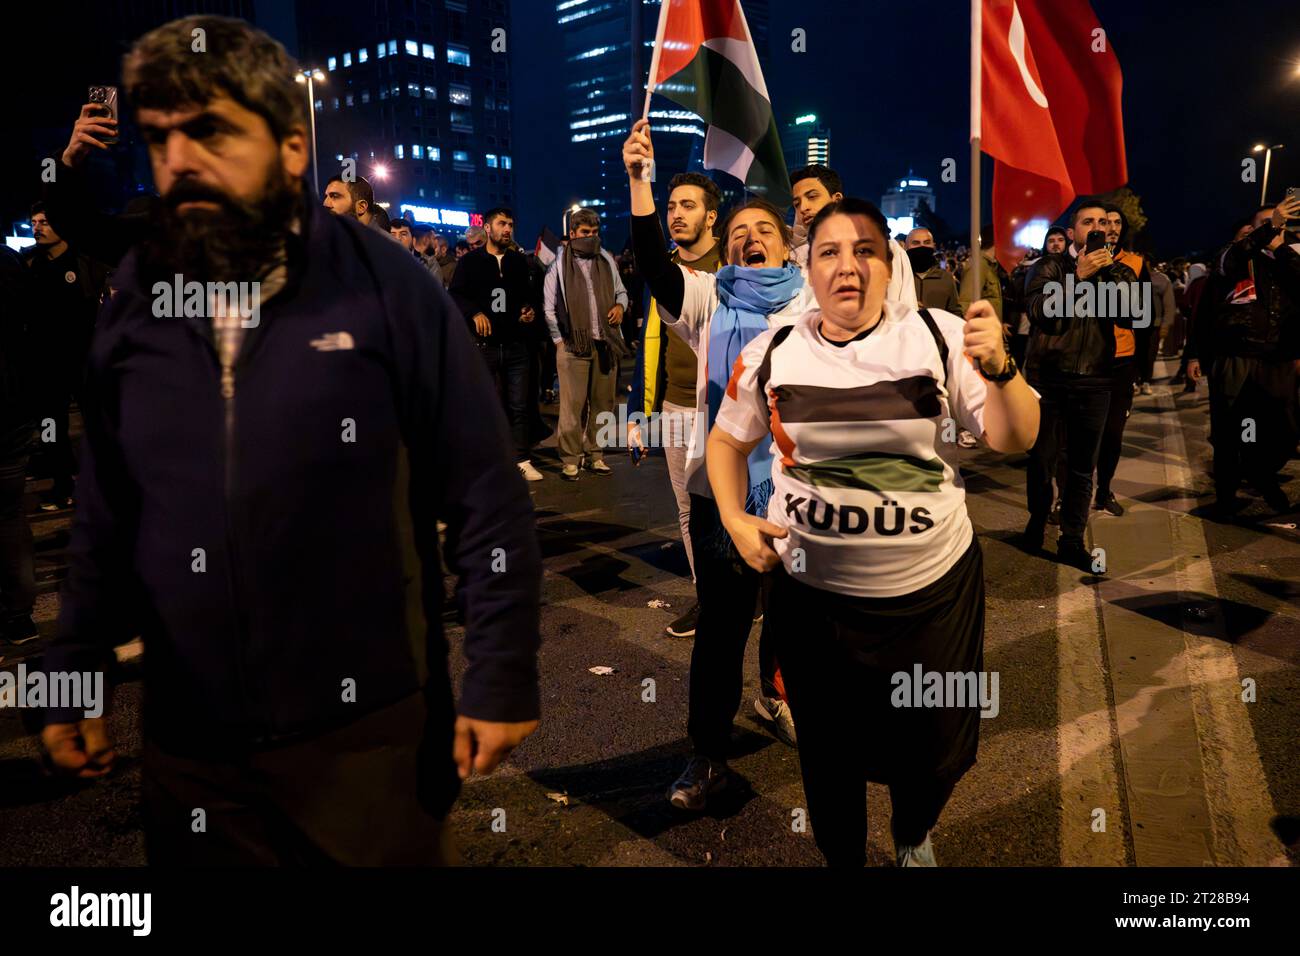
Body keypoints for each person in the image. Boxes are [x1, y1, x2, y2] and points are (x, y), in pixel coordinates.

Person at [39, 15, 541, 866]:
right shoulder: (137, 295)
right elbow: (107, 507)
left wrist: (502, 670)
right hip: (189, 749)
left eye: (213, 133)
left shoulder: (386, 285)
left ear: (292, 151)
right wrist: (71, 664)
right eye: (161, 140)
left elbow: (485, 490)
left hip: (367, 740)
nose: (180, 164)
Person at [708, 198, 1039, 866]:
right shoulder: (771, 349)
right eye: (828, 252)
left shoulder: (939, 334)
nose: (846, 266)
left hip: (932, 599)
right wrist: (734, 519)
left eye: (865, 250)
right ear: (808, 268)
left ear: (888, 269)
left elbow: (1014, 437)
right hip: (812, 604)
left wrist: (1002, 367)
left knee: (936, 753)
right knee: (829, 761)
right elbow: (723, 441)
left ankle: (914, 831)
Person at [625, 119, 919, 807]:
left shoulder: (810, 301)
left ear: (789, 245)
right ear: (723, 254)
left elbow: (880, 287)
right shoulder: (706, 301)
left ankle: (789, 705)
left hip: (797, 494)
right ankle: (705, 757)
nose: (749, 239)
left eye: (763, 230)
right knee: (720, 634)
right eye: (736, 237)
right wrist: (640, 182)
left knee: (802, 625)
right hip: (720, 494)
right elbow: (654, 264)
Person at [627, 172, 722, 639]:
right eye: (671, 206)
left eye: (688, 205)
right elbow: (650, 344)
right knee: (688, 510)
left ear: (711, 215)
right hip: (674, 408)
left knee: (736, 504)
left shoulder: (732, 265)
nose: (677, 214)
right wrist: (638, 416)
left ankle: (748, 591)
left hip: (725, 409)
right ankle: (708, 596)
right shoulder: (661, 268)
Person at [1023, 201, 1137, 570]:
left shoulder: (1118, 271)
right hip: (1048, 380)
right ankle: (1037, 522)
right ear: (1072, 233)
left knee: (1081, 467)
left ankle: (1071, 539)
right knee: (1041, 461)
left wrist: (1105, 275)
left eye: (1103, 221)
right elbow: (1042, 314)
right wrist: (1078, 278)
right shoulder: (1049, 266)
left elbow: (1133, 315)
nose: (1097, 226)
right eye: (1088, 221)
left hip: (1095, 380)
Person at [1198, 199, 1300, 516]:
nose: (1274, 226)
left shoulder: (1287, 256)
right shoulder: (1235, 256)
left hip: (1277, 356)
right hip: (1237, 354)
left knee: (1282, 429)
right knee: (1231, 429)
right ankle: (1226, 499)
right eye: (1265, 223)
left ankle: (1260, 474)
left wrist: (1281, 246)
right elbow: (1227, 268)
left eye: (1279, 221)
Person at [23, 203, 110, 511]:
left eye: (44, 221)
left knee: (98, 424)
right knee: (51, 427)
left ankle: (105, 485)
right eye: (33, 222)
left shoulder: (86, 263)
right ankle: (63, 485)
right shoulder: (28, 264)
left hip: (85, 361)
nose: (37, 227)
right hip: (46, 365)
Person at [449, 207, 545, 482]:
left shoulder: (519, 262)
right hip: (483, 346)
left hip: (515, 345)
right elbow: (456, 295)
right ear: (487, 229)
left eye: (511, 224)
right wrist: (474, 313)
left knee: (519, 404)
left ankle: (522, 459)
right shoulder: (470, 263)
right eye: (502, 223)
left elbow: (529, 298)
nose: (508, 229)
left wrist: (529, 311)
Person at [543, 207, 631, 481]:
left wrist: (620, 306)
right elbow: (548, 307)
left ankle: (596, 454)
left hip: (605, 343)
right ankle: (571, 458)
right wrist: (559, 341)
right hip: (572, 346)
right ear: (572, 234)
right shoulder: (559, 264)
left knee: (604, 404)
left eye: (594, 233)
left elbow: (621, 292)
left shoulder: (605, 259)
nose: (590, 238)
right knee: (572, 406)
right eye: (584, 233)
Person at [0, 243, 38, 645]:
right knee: (10, 516)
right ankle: (19, 614)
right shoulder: (11, 264)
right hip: (13, 411)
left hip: (11, 413)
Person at [906, 227, 960, 313]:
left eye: (926, 243)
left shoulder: (946, 278)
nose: (922, 246)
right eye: (916, 243)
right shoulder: (899, 278)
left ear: (933, 246)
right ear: (906, 247)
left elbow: (955, 313)